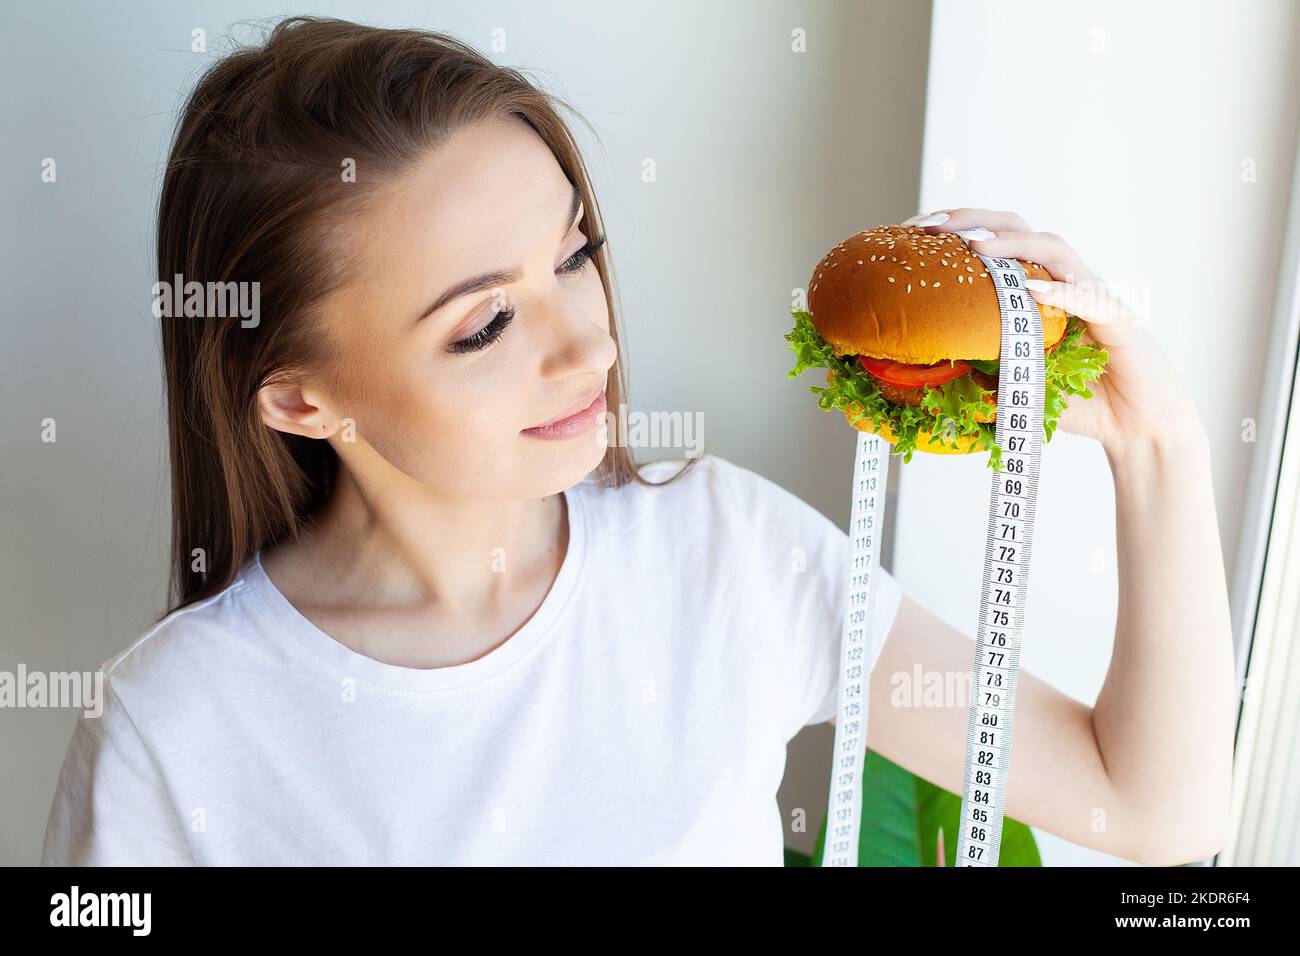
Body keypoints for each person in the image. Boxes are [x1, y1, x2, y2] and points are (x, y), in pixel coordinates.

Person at [41, 16, 1232, 867]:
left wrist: (1158, 445)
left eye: (575, 256)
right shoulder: (176, 727)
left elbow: (1155, 812)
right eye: (487, 322)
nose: (589, 348)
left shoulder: (724, 552)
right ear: (298, 398)